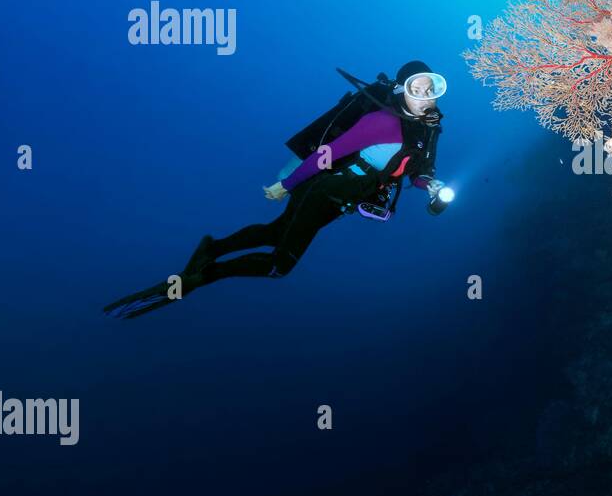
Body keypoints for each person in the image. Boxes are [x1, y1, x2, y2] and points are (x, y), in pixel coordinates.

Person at [104, 61, 449, 319]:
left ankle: (213, 246)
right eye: (416, 89)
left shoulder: (428, 130)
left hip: (346, 198)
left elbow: (416, 173)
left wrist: (431, 186)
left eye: (429, 88)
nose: (424, 96)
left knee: (276, 231)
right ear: (402, 89)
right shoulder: (381, 121)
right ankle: (201, 277)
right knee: (279, 265)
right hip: (328, 187)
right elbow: (329, 152)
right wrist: (286, 184)